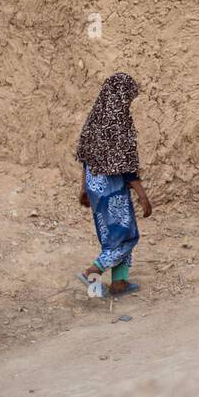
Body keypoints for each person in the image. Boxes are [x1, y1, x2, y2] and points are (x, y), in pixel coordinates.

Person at [74, 72, 153, 296]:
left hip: (94, 186)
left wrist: (83, 188)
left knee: (113, 234)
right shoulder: (119, 123)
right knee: (127, 235)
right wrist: (142, 195)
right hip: (112, 189)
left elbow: (85, 156)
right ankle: (93, 270)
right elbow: (127, 167)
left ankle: (119, 283)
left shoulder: (94, 119)